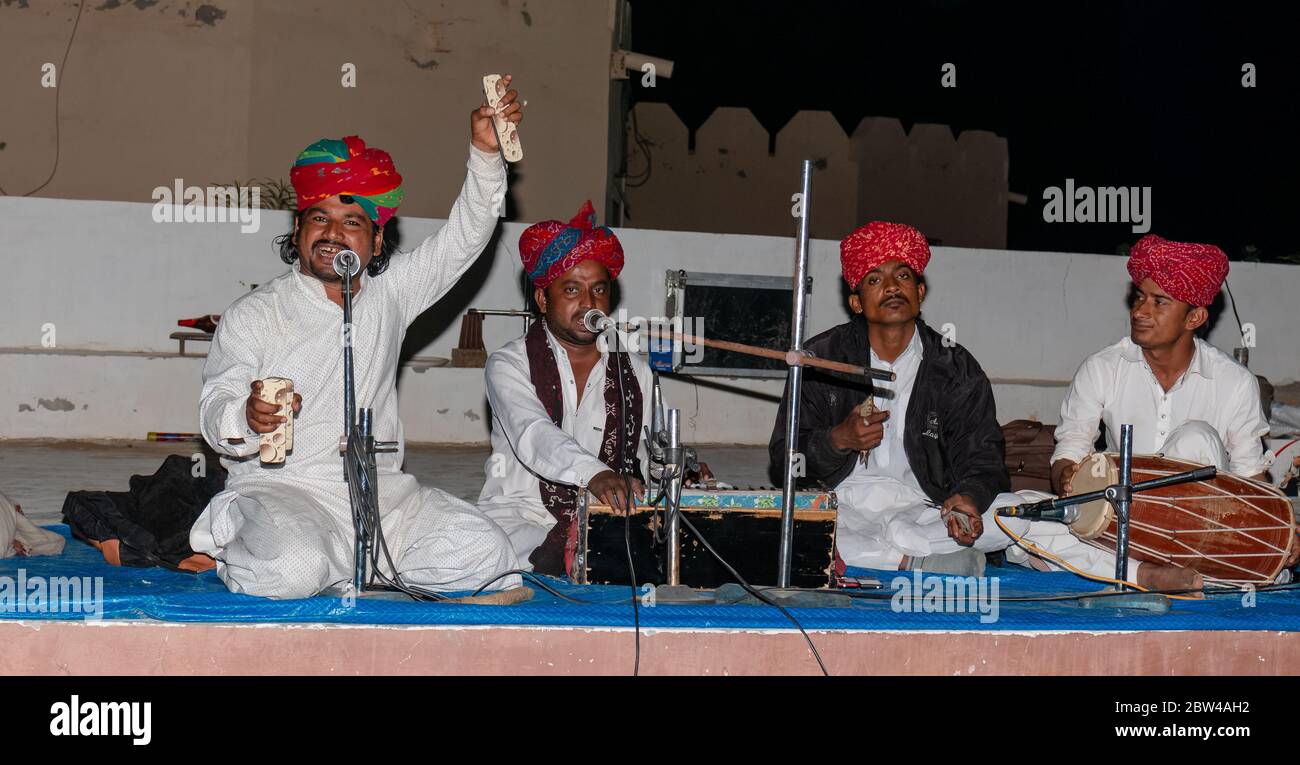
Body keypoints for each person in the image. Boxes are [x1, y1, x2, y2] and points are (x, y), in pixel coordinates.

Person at [190, 78, 527, 599]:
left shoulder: (392, 292)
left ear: (375, 241)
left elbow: (467, 234)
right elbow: (216, 411)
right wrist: (245, 417)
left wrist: (485, 153)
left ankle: (348, 567)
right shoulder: (255, 313)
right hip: (283, 490)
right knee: (292, 569)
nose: (332, 233)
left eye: (352, 222)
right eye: (319, 218)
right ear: (298, 230)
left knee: (488, 555)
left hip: (382, 498)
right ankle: (267, 552)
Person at [476, 201, 653, 575]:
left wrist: (684, 473)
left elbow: (650, 449)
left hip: (607, 514)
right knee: (492, 559)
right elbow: (533, 433)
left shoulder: (635, 370)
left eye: (599, 290)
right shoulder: (509, 364)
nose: (588, 303)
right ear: (543, 299)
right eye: (572, 289)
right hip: (521, 515)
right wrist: (595, 474)